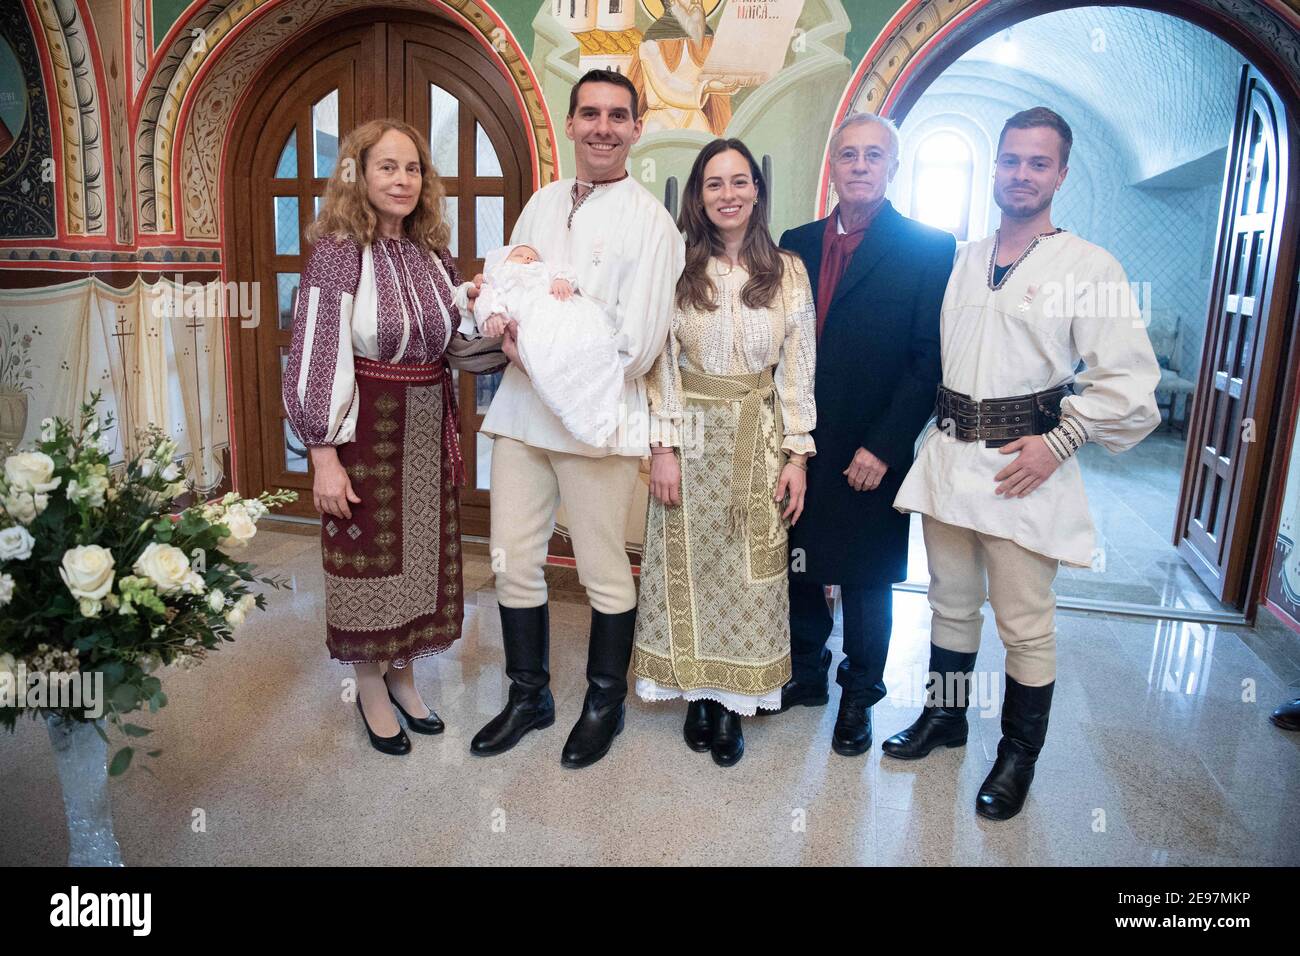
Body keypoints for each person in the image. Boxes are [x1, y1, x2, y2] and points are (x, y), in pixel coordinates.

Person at [890, 107, 1161, 820]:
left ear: (1061, 173)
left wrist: (1061, 442)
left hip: (1023, 467)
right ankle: (945, 719)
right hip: (950, 458)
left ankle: (1017, 758)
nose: (1021, 173)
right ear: (996, 167)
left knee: (1025, 624)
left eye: (1038, 163)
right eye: (1010, 160)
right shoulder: (963, 258)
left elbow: (1129, 381)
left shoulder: (1090, 266)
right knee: (948, 604)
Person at [468, 69, 686, 768]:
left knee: (601, 572)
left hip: (597, 419)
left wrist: (538, 355)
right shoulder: (541, 202)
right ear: (568, 124)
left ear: (635, 129)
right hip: (524, 416)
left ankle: (603, 702)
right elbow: (507, 283)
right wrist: (502, 320)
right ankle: (528, 694)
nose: (602, 127)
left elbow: (641, 340)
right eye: (589, 113)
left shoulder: (652, 222)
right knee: (512, 562)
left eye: (617, 116)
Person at [283, 119, 499, 756]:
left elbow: (452, 347)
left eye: (412, 169)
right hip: (365, 429)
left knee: (419, 559)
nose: (402, 180)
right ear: (358, 175)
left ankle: (404, 674)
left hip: (427, 427)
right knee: (367, 559)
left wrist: (500, 321)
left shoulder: (432, 254)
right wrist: (323, 456)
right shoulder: (338, 251)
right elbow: (317, 352)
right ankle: (370, 686)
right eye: (387, 167)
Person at [774, 112, 955, 756]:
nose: (859, 165)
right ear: (832, 164)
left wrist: (884, 445)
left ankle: (859, 696)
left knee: (866, 576)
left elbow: (927, 360)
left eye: (873, 156)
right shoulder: (796, 240)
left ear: (892, 167)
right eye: (848, 154)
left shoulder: (929, 248)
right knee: (797, 564)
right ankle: (807, 671)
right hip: (799, 438)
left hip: (872, 445)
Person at [634, 138, 816, 767]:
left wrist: (797, 455)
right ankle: (697, 696)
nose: (728, 194)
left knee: (750, 576)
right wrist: (663, 446)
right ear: (698, 195)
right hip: (693, 434)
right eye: (715, 184)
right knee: (688, 565)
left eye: (740, 181)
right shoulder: (678, 268)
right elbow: (662, 363)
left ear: (757, 192)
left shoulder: (788, 270)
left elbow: (798, 366)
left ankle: (733, 702)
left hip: (757, 436)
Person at [460, 243, 623, 447]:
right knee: (547, 355)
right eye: (519, 255)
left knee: (586, 336)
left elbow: (564, 274)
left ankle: (593, 383)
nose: (528, 259)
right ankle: (579, 409)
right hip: (530, 323)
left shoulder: (543, 272)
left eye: (532, 256)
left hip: (556, 310)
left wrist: (561, 281)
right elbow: (486, 301)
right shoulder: (499, 279)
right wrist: (491, 315)